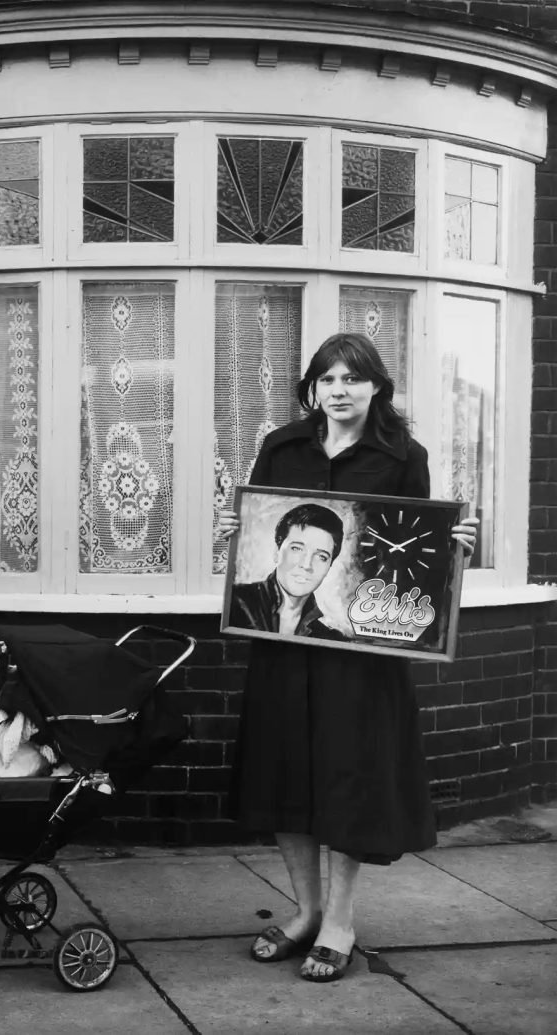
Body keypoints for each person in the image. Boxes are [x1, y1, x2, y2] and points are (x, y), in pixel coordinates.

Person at [216, 332, 477, 982]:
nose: (338, 390)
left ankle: (339, 920)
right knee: (286, 773)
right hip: (283, 649)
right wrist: (231, 527)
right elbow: (258, 525)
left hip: (360, 658)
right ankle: (303, 911)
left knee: (348, 778)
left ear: (375, 388)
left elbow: (418, 551)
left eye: (351, 379)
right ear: (312, 387)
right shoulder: (281, 446)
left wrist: (457, 547)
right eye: (327, 379)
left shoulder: (400, 456)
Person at [227, 503, 348, 641]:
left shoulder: (327, 637)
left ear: (329, 567)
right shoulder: (237, 602)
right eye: (296, 549)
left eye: (322, 557)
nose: (306, 565)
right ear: (276, 552)